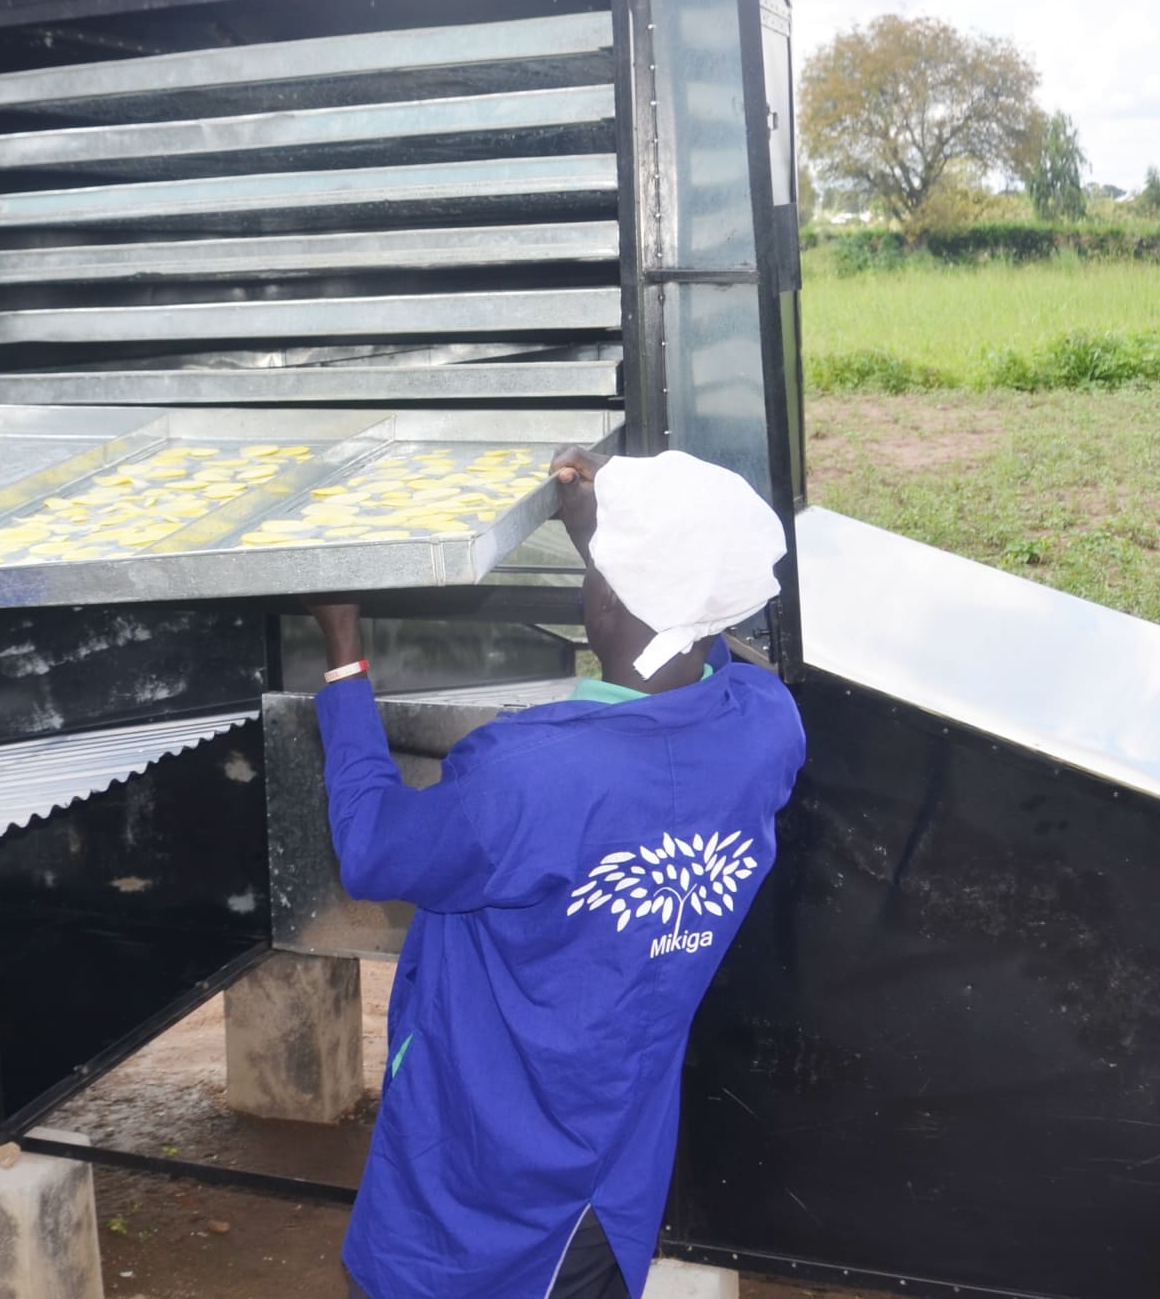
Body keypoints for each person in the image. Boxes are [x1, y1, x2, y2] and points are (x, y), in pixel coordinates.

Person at [308, 446, 806, 1299]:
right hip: (616, 1171)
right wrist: (611, 552)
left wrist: (343, 651)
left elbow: (372, 846)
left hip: (480, 1183)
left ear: (606, 595)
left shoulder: (527, 775)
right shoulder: (766, 731)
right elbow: (697, 650)